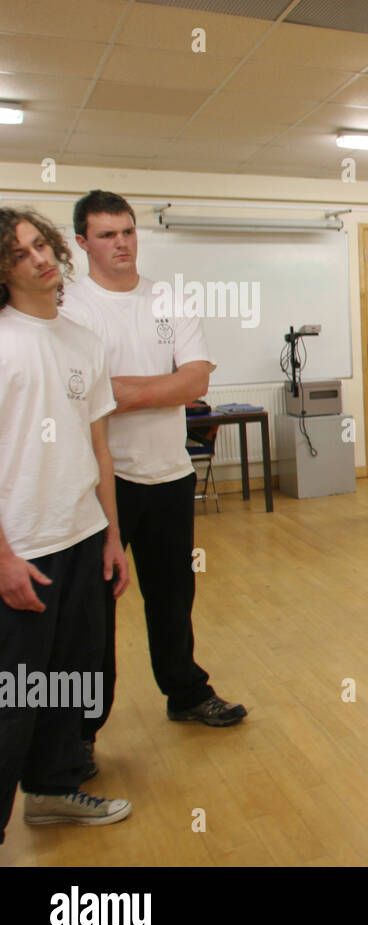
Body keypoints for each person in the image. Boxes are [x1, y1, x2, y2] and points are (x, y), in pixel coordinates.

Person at [61, 190, 245, 779]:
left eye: (128, 232)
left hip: (171, 476)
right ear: (83, 241)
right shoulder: (69, 306)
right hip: (101, 482)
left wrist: (112, 392)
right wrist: (152, 388)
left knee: (174, 597)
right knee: (94, 617)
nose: (121, 243)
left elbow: (193, 384)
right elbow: (72, 392)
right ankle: (81, 732)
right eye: (107, 234)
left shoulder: (169, 299)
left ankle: (186, 693)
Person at [0, 208, 132, 836]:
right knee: (15, 701)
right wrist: (2, 557)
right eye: (21, 252)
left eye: (41, 244)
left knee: (76, 679)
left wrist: (112, 536)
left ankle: (53, 789)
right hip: (22, 547)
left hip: (83, 535)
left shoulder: (83, 340)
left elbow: (98, 448)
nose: (39, 258)